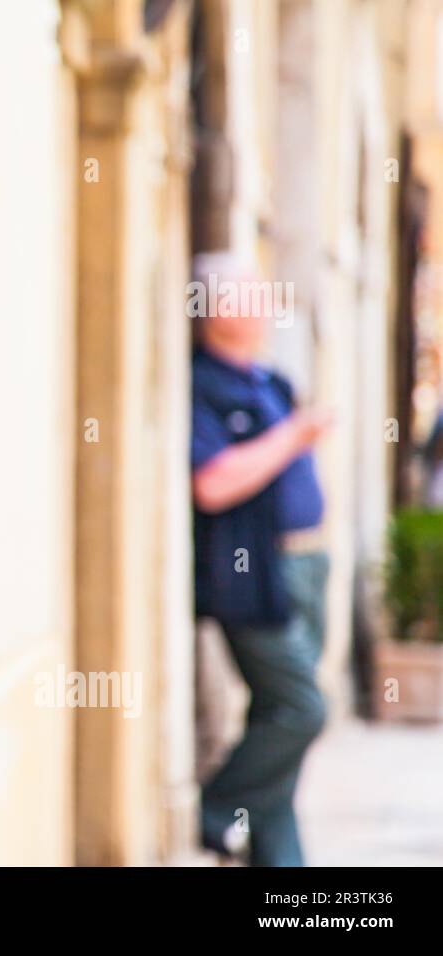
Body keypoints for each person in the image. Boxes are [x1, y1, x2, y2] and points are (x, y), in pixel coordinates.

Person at [190, 251, 334, 867]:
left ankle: (284, 870)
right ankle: (215, 808)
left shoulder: (269, 381)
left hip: (306, 566)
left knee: (278, 713)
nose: (266, 304)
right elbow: (214, 483)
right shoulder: (203, 385)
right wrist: (290, 439)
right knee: (302, 709)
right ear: (218, 308)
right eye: (251, 294)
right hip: (254, 574)